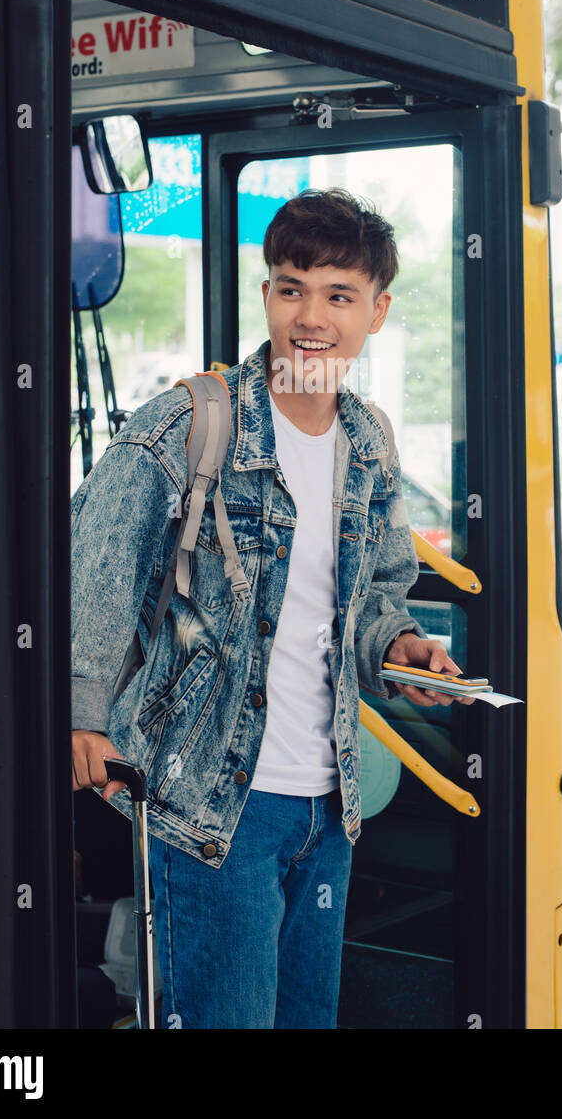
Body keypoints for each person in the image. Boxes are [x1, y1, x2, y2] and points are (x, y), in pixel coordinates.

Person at [70, 186, 474, 1028]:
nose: (310, 317)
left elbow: (372, 593)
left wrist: (400, 645)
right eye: (291, 287)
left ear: (377, 311)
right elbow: (95, 573)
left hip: (328, 805)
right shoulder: (190, 422)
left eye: (338, 295)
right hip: (209, 802)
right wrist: (81, 713)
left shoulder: (368, 441)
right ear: (266, 296)